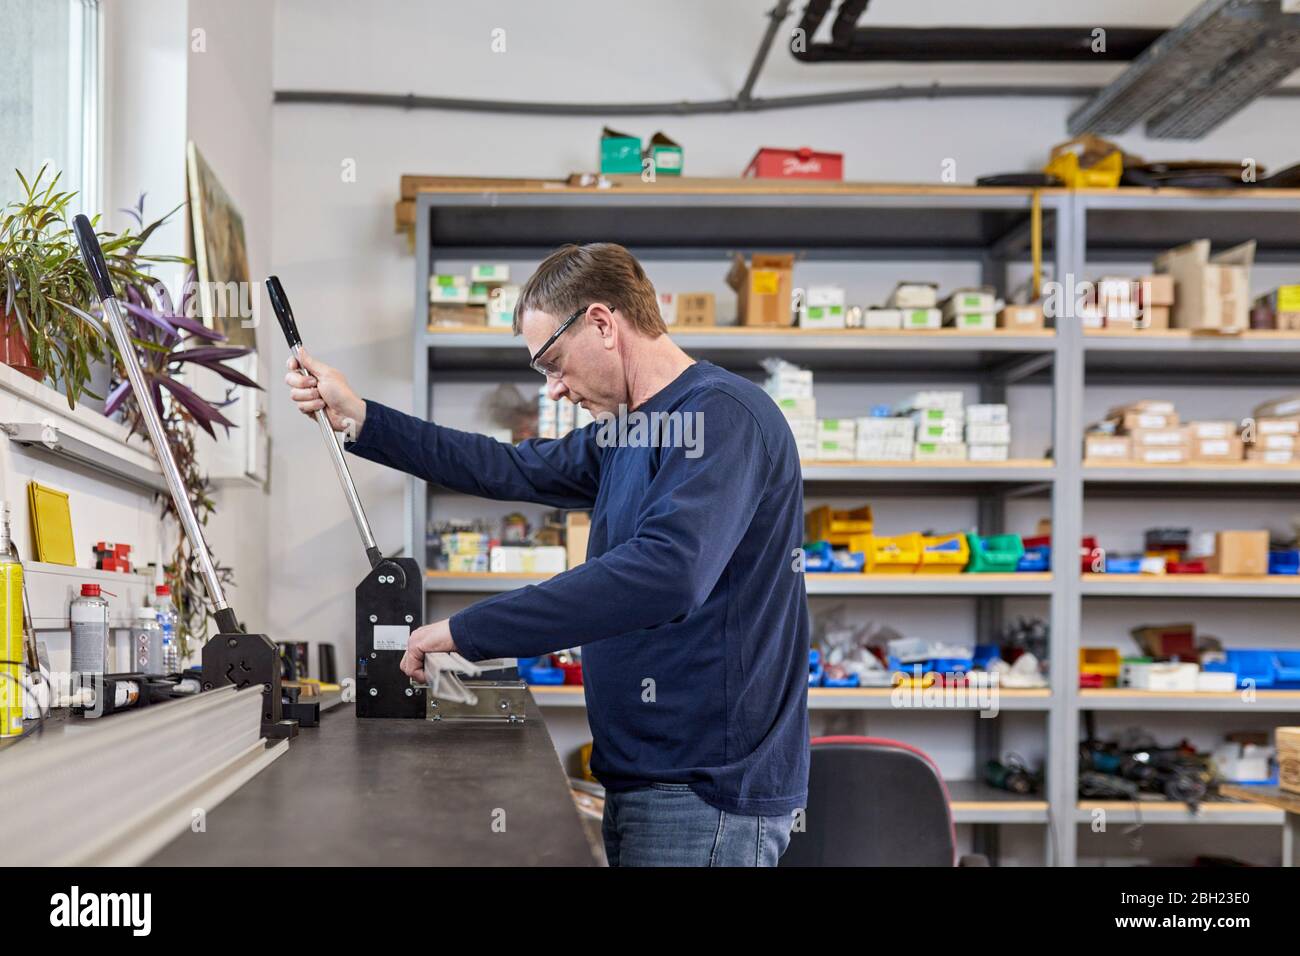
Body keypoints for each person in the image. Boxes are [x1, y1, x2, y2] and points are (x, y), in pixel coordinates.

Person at [284, 242, 810, 866]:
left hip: (704, 791)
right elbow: (506, 467)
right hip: (646, 777)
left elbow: (665, 575)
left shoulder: (722, 417)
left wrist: (468, 629)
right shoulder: (633, 429)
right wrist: (363, 418)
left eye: (554, 363)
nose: (555, 390)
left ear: (602, 323)